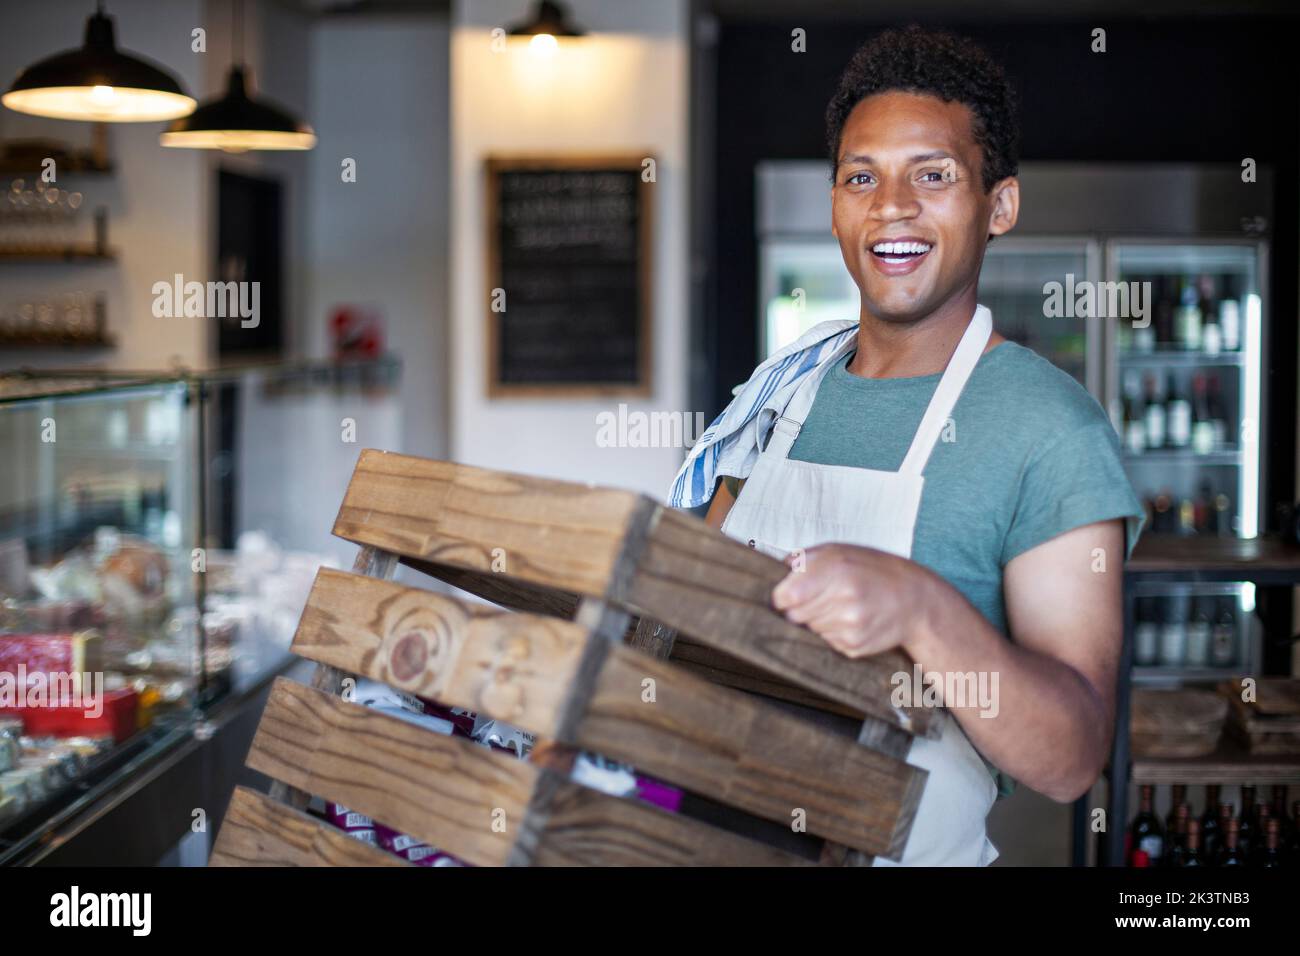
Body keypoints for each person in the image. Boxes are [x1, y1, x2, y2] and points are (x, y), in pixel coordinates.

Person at [668, 25, 1144, 865]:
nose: (892, 206)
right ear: (836, 203)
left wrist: (924, 613)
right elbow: (691, 621)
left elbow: (1073, 757)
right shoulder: (779, 397)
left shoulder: (1050, 430)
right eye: (863, 177)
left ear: (999, 205)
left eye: (934, 175)